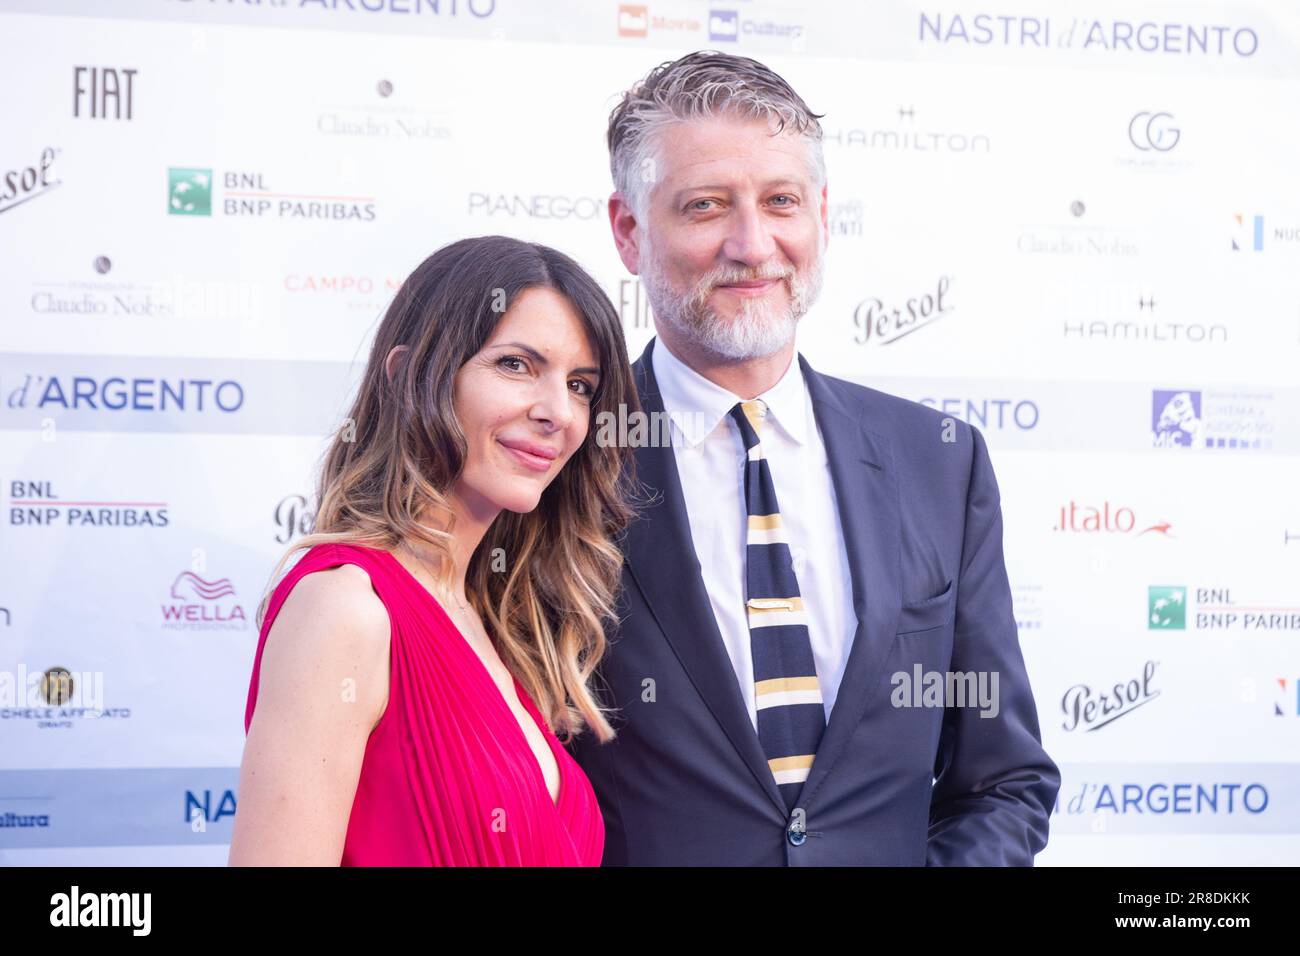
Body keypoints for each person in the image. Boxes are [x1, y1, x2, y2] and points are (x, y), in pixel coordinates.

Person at [567, 51, 1062, 865]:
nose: (752, 244)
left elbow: (1002, 782)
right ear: (629, 231)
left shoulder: (940, 463)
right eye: (706, 206)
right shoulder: (561, 458)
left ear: (822, 214)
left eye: (781, 202)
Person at [229, 235, 640, 866]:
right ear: (407, 375)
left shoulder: (495, 621)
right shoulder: (344, 609)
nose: (559, 412)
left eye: (581, 385)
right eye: (516, 365)